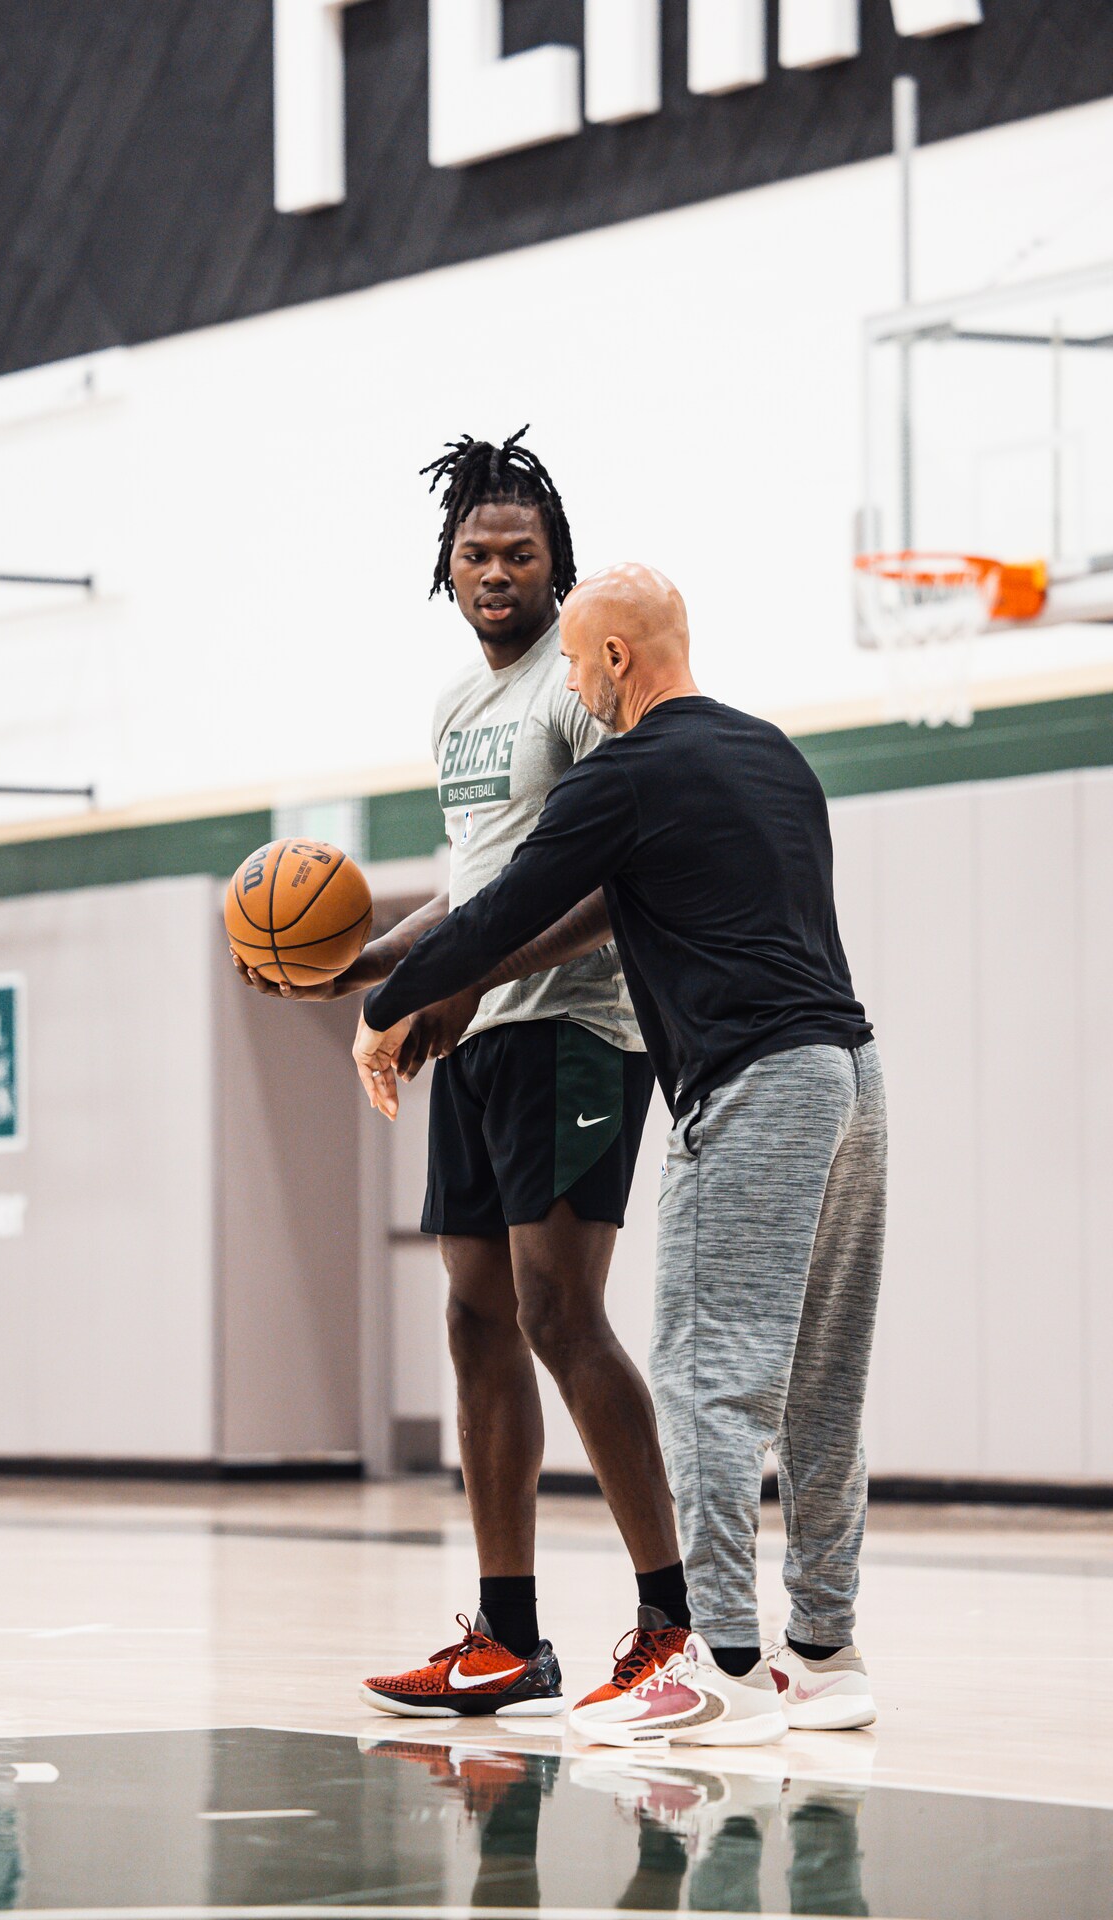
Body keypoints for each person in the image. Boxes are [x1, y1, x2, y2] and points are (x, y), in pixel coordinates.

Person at [354, 563, 886, 1746]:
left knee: (704, 1373)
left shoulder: (624, 772)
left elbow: (499, 912)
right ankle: (824, 1650)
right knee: (818, 1382)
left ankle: (719, 1667)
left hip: (750, 1084)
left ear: (608, 661)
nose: (576, 693)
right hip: (850, 1077)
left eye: (581, 665)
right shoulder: (772, 754)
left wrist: (387, 1000)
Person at [237, 437, 691, 1721]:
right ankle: (507, 1636)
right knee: (472, 1317)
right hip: (484, 1036)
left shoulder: (575, 685)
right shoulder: (454, 709)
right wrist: (369, 961)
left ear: (560, 568)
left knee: (559, 1313)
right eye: (475, 553)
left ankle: (670, 1617)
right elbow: (476, 881)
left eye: (521, 553)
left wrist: (462, 977)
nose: (496, 571)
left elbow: (607, 877)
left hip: (576, 1031)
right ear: (444, 570)